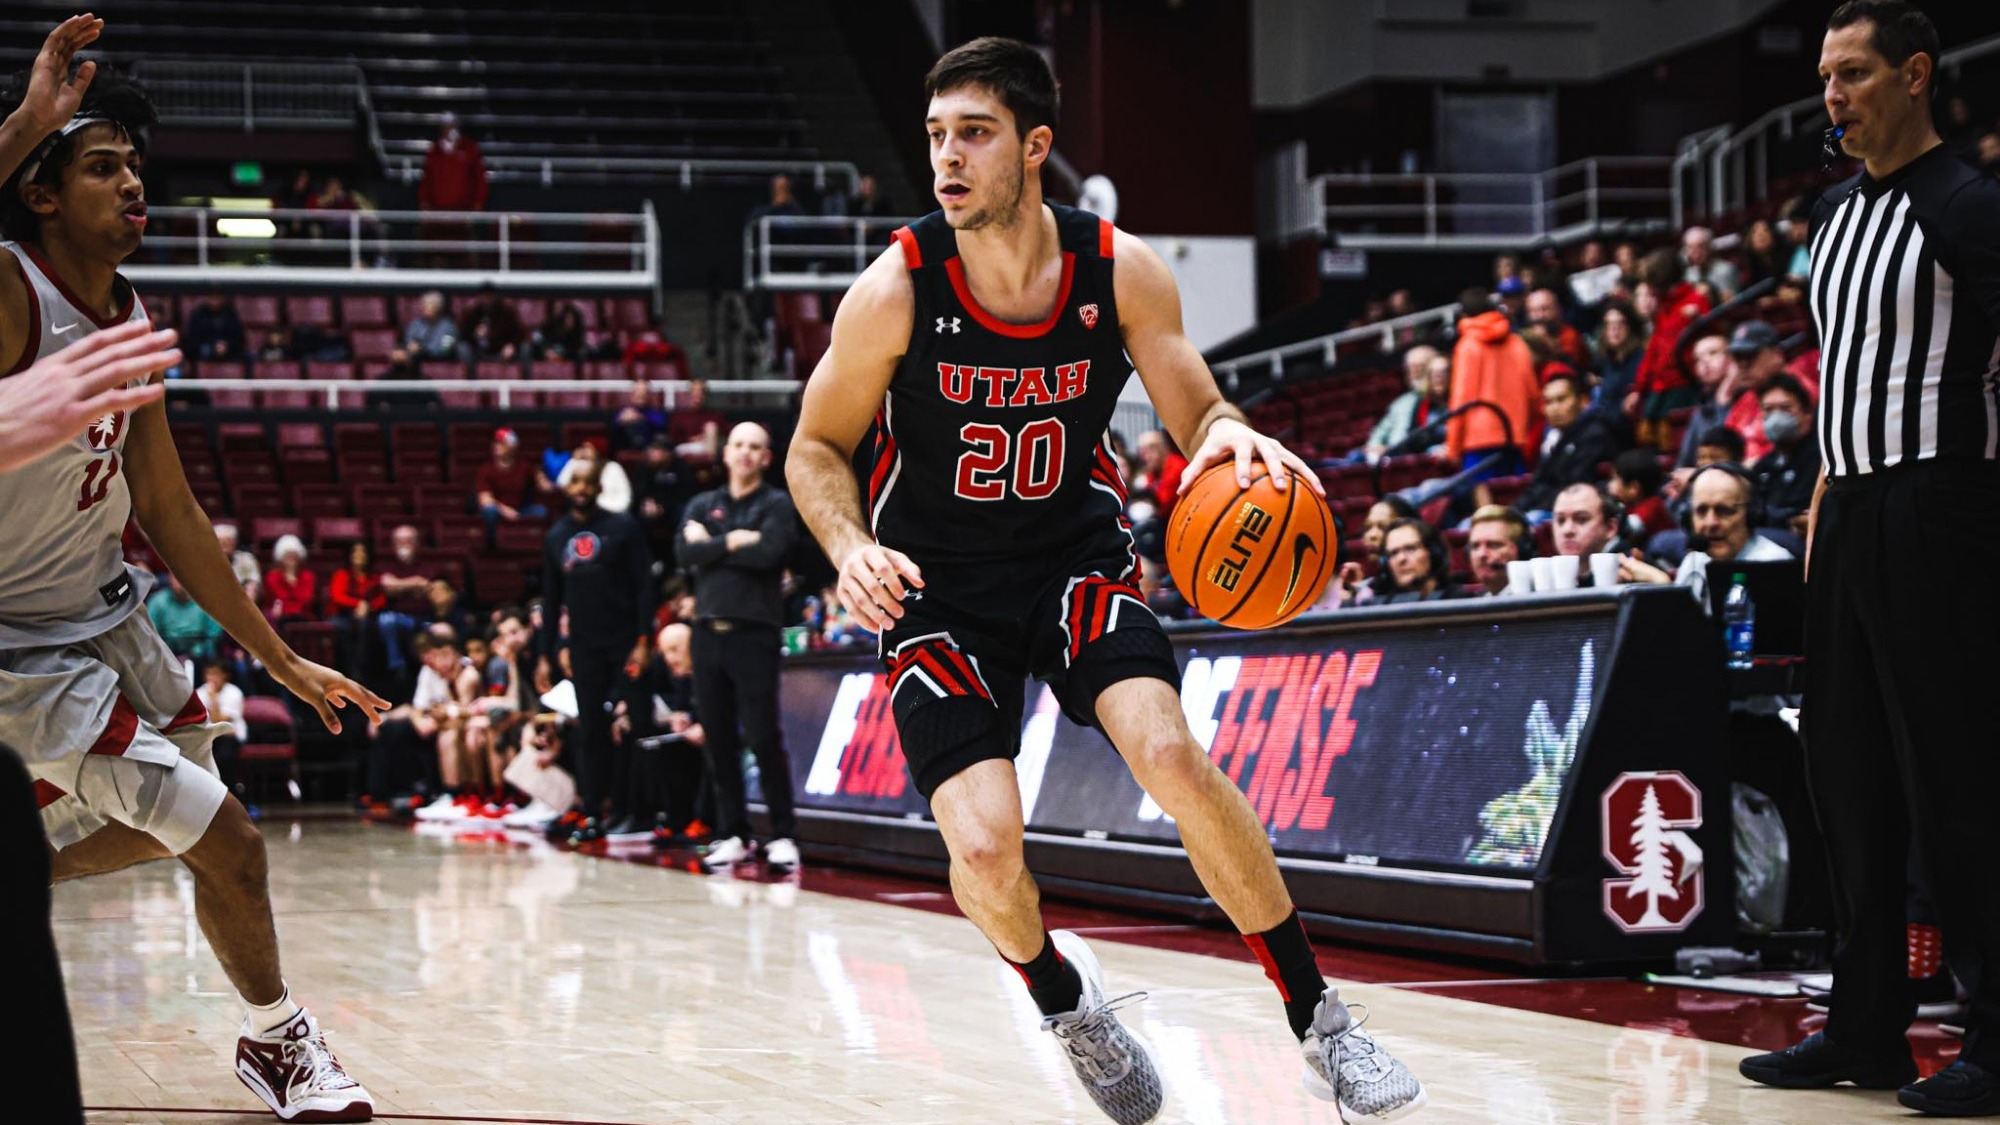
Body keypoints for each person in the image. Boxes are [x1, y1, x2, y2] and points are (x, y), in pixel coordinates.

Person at [784, 38, 1423, 1125]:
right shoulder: (894, 288)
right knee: (983, 845)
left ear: (1033, 147)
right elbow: (811, 448)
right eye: (936, 135)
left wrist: (1234, 440)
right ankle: (1066, 1004)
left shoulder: (1119, 269)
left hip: (1071, 556)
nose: (946, 156)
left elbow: (1197, 409)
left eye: (973, 133)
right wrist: (849, 548)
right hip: (936, 591)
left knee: (1170, 752)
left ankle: (1322, 1023)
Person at [0, 25, 384, 1120]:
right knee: (229, 838)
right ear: (38, 194)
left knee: (196, 812)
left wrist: (280, 657)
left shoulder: (130, 316)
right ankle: (280, 1040)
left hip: (106, 618)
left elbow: (167, 510)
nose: (133, 185)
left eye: (136, 168)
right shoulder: (9, 293)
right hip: (16, 647)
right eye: (102, 166)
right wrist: (26, 123)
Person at [1738, 6, 2000, 1114]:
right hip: (1843, 515)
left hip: (1942, 507)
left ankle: (1992, 1041)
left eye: (1851, 74)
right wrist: (1817, 515)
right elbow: (1845, 374)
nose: (1831, 96)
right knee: (1845, 780)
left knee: (1957, 782)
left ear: (1913, 75)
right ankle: (1864, 1032)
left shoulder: (1968, 206)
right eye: (1823, 76)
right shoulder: (1835, 214)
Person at [676, 422, 800, 872]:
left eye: (756, 447)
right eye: (739, 445)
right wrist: (732, 541)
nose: (746, 453)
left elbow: (769, 553)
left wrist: (709, 545)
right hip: (707, 634)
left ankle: (784, 833)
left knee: (763, 735)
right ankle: (733, 832)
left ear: (767, 457)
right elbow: (684, 555)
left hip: (755, 632)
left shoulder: (777, 503)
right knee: (719, 739)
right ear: (725, 453)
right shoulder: (702, 503)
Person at [539, 461, 656, 844]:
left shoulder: (623, 527)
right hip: (584, 647)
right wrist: (551, 650)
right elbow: (552, 599)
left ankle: (640, 811)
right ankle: (593, 810)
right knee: (591, 730)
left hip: (626, 643)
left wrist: (643, 640)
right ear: (566, 485)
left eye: (588, 482)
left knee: (637, 725)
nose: (581, 488)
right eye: (574, 480)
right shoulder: (556, 535)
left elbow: (644, 588)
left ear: (598, 486)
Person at [1446, 286, 1540, 479]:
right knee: (1513, 501)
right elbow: (1532, 394)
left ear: (1464, 313)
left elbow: (1461, 400)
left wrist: (1453, 447)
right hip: (1514, 438)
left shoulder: (1467, 346)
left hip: (1477, 442)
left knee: (1487, 508)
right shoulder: (1516, 342)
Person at [1518, 372, 1623, 515]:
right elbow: (1538, 484)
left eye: (1561, 399)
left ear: (1583, 401)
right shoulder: (1556, 437)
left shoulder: (1595, 435)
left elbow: (1574, 487)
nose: (1554, 408)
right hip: (1547, 507)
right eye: (1548, 402)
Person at [1720, 319, 1815, 464]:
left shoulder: (1799, 390)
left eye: (1750, 356)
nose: (1742, 365)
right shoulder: (1746, 399)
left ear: (1777, 355)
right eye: (1738, 358)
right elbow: (1724, 444)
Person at [1746, 374, 1820, 530]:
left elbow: (1798, 514)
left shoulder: (1820, 459)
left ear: (1807, 414)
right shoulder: (1764, 465)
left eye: (1785, 408)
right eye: (1768, 410)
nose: (1776, 417)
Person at [1363, 343, 1442, 460]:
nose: (1413, 374)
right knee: (1354, 457)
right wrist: (1375, 447)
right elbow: (1379, 433)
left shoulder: (1441, 399)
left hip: (1421, 455)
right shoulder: (1399, 403)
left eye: (1419, 367)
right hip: (1391, 456)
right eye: (1409, 368)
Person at [375, 523, 432, 681]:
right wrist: (414, 582)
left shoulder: (427, 565)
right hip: (398, 617)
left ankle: (431, 670)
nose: (403, 546)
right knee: (386, 620)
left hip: (424, 618)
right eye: (399, 542)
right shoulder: (387, 565)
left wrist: (399, 585)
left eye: (408, 541)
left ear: (416, 543)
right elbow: (387, 585)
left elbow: (427, 586)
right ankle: (397, 668)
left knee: (440, 630)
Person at [474, 427, 551, 540]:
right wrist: (504, 510)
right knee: (490, 512)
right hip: (498, 510)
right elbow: (485, 500)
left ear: (512, 446)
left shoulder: (524, 466)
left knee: (541, 511)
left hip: (520, 509)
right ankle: (491, 545)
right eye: (496, 443)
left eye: (502, 443)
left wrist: (544, 482)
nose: (497, 446)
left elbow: (537, 476)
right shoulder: (486, 470)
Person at [325, 540, 384, 679]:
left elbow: (381, 599)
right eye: (355, 551)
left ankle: (362, 672)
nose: (359, 554)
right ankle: (347, 671)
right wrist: (359, 604)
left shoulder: (374, 577)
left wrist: (368, 606)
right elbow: (337, 597)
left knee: (367, 627)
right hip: (341, 614)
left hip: (366, 616)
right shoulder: (341, 574)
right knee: (342, 629)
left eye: (362, 551)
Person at [417, 110, 487, 214]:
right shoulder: (434, 150)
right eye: (445, 126)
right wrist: (424, 201)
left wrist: (478, 202)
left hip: (463, 211)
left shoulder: (470, 148)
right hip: (437, 211)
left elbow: (480, 178)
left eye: (451, 126)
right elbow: (426, 178)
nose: (448, 129)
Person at [147, 570, 223, 664]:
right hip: (166, 649)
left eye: (182, 577)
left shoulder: (206, 601)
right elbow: (151, 632)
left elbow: (213, 634)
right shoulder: (157, 601)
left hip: (200, 651)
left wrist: (196, 651)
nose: (179, 581)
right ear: (169, 579)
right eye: (175, 577)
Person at [1548, 483, 1623, 577]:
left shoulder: (1631, 571)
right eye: (1561, 520)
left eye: (1581, 519)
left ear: (1610, 528)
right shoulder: (1545, 574)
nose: (1567, 530)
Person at [1588, 300, 1645, 421]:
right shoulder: (1605, 358)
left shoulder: (1639, 359)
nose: (1615, 329)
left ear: (1630, 327)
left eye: (1621, 323)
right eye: (1609, 324)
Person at [1376, 518, 1455, 603]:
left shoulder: (1460, 600)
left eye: (1411, 549)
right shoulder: (1380, 606)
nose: (1401, 559)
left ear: (1433, 553)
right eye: (1394, 553)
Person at [196, 660, 245, 795]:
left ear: (225, 675)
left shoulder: (235, 693)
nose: (212, 678)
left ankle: (230, 794)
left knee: (224, 756)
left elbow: (218, 721)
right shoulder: (199, 693)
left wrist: (212, 699)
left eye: (216, 674)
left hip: (230, 737)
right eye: (209, 674)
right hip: (208, 737)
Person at [1465, 504, 1529, 596]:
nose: (1482, 554)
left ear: (1521, 549)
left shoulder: (1542, 599)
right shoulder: (1471, 603)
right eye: (1475, 546)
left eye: (1494, 545)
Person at [556, 438, 631, 513]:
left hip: (611, 511)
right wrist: (573, 461)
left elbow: (625, 496)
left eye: (588, 448)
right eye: (583, 447)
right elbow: (561, 483)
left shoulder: (613, 467)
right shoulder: (578, 464)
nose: (584, 451)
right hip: (586, 512)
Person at [1525, 286, 1589, 369]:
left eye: (1545, 309)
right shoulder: (1523, 337)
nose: (1540, 315)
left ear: (1558, 310)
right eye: (1534, 311)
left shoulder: (1570, 335)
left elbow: (1566, 366)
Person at [1130, 428, 1187, 518]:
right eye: (1142, 451)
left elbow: (1162, 504)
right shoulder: (1155, 469)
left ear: (1163, 449)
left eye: (1149, 450)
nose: (1144, 456)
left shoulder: (1177, 466)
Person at [261, 534, 317, 622]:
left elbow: (306, 599)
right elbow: (278, 598)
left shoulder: (307, 576)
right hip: (279, 618)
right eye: (287, 556)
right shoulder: (273, 577)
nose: (291, 559)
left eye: (293, 556)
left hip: (303, 617)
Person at [459, 281, 521, 360]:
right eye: (484, 296)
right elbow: (463, 335)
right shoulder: (472, 314)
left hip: (499, 351)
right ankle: (467, 372)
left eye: (489, 297)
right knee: (463, 348)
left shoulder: (506, 313)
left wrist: (511, 345)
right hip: (476, 353)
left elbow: (517, 333)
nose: (486, 300)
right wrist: (474, 334)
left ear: (494, 297)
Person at [1681, 226, 1740, 300]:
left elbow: (1731, 303)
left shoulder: (1726, 270)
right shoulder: (1689, 274)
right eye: (1690, 248)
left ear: (1710, 247)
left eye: (1700, 246)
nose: (1695, 252)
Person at [183, 293, 245, 361]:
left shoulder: (230, 314)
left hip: (229, 354)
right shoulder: (198, 314)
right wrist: (212, 347)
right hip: (202, 354)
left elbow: (239, 340)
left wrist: (227, 346)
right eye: (211, 296)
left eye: (217, 296)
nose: (214, 299)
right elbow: (191, 342)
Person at [401, 289, 459, 360]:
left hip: (439, 362)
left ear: (437, 307)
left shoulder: (449, 327)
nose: (422, 307)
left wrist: (423, 350)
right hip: (415, 361)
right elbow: (408, 342)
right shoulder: (415, 324)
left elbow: (446, 350)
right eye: (422, 304)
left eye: (427, 304)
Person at [213, 522, 260, 601]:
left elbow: (252, 586)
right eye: (220, 541)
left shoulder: (246, 559)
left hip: (240, 603)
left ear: (235, 543)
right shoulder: (206, 562)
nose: (224, 544)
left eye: (228, 540)